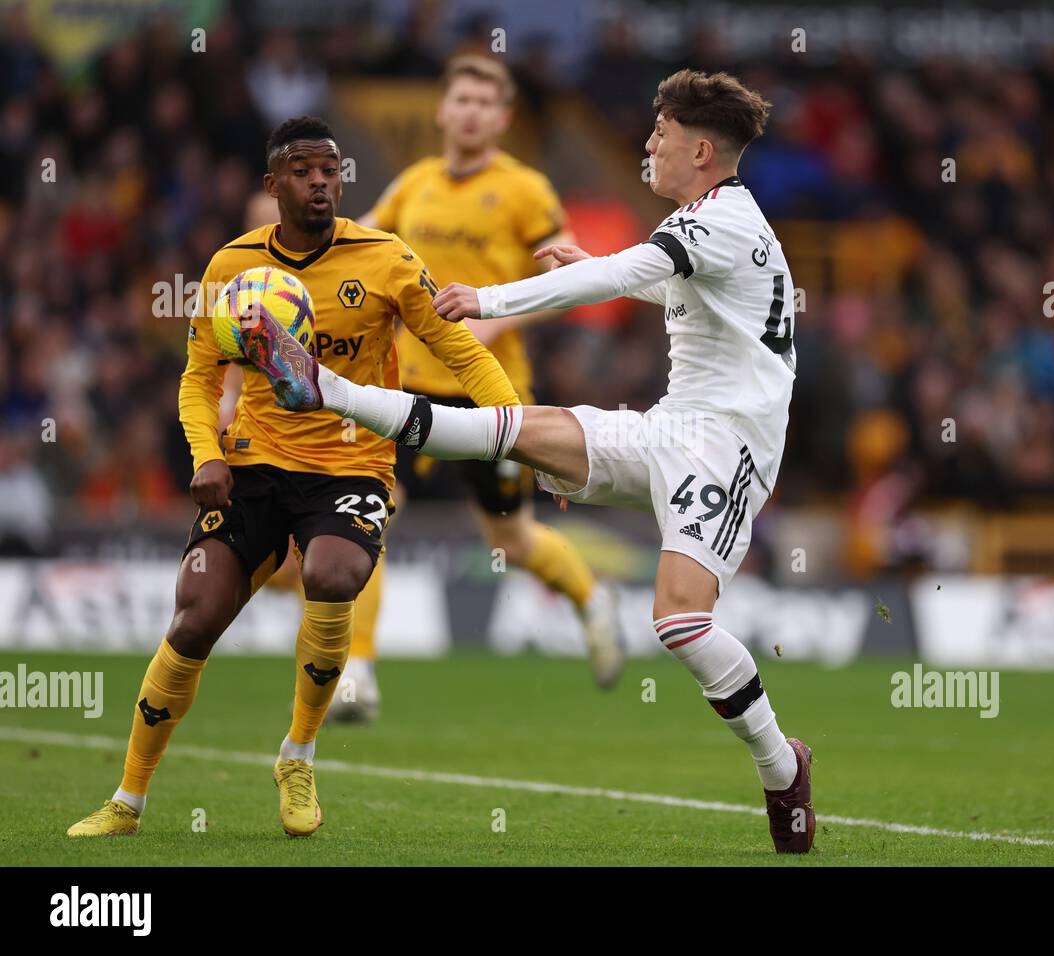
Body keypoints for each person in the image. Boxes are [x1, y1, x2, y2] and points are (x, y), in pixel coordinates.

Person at [240, 71, 815, 853]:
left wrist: (490, 299)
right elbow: (689, 293)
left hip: (729, 448)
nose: (648, 145)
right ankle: (327, 390)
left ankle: (782, 767)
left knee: (679, 620)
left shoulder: (719, 222)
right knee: (507, 429)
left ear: (702, 150)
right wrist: (601, 261)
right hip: (669, 427)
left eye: (661, 135)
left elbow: (614, 278)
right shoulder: (711, 223)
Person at [66, 116, 518, 838]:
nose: (321, 183)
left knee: (335, 575)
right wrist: (205, 454)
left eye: (330, 170)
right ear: (273, 184)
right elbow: (197, 378)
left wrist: (518, 434)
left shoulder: (388, 260)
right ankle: (128, 799)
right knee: (195, 617)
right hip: (252, 465)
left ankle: (298, 754)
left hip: (352, 464)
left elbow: (461, 352)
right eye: (304, 172)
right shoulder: (231, 269)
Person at [331, 54, 622, 719]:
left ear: (503, 118)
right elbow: (360, 249)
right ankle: (360, 673)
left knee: (510, 542)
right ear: (441, 109)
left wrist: (497, 318)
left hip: (488, 390)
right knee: (369, 515)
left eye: (483, 103)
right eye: (460, 99)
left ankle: (590, 597)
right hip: (405, 388)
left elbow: (570, 279)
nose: (469, 112)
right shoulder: (413, 186)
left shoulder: (526, 191)